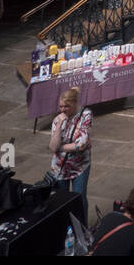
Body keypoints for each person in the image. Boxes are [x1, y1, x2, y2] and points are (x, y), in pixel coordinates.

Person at [48, 86, 92, 223]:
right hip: (60, 168)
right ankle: (67, 227)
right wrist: (60, 124)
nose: (63, 109)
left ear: (74, 104)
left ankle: (83, 227)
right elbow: (52, 146)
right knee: (62, 200)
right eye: (61, 106)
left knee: (79, 197)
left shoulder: (85, 115)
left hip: (79, 166)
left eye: (66, 106)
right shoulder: (57, 120)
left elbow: (81, 144)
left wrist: (59, 148)